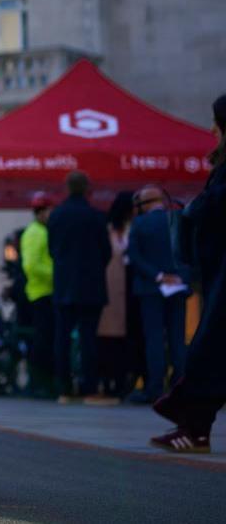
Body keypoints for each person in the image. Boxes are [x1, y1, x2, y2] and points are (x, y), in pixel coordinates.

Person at [150, 94, 226, 452]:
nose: (211, 129)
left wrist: (197, 210)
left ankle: (194, 428)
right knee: (209, 349)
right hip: (215, 270)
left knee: (209, 349)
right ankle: (194, 427)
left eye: (217, 122)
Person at [47, 171, 112, 403]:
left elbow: (52, 250)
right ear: (87, 189)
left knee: (62, 338)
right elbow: (106, 252)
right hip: (91, 286)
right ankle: (89, 387)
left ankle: (63, 387)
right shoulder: (96, 216)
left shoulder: (56, 216)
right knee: (88, 339)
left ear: (66, 187)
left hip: (64, 285)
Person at [127, 185, 191, 404]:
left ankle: (155, 388)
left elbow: (134, 256)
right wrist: (180, 277)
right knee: (177, 339)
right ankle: (179, 387)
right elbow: (190, 253)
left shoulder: (140, 223)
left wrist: (158, 276)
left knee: (154, 339)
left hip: (150, 289)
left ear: (144, 204)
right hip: (179, 288)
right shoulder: (178, 220)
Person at [94, 192, 135, 401]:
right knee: (107, 337)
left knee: (123, 337)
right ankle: (108, 379)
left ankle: (120, 379)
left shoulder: (132, 229)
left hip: (126, 290)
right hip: (110, 288)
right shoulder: (107, 230)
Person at [20, 192, 57, 398]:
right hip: (41, 292)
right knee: (42, 341)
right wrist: (57, 275)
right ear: (42, 211)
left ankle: (40, 382)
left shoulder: (40, 231)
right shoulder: (36, 233)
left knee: (44, 340)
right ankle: (38, 383)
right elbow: (31, 265)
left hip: (43, 291)